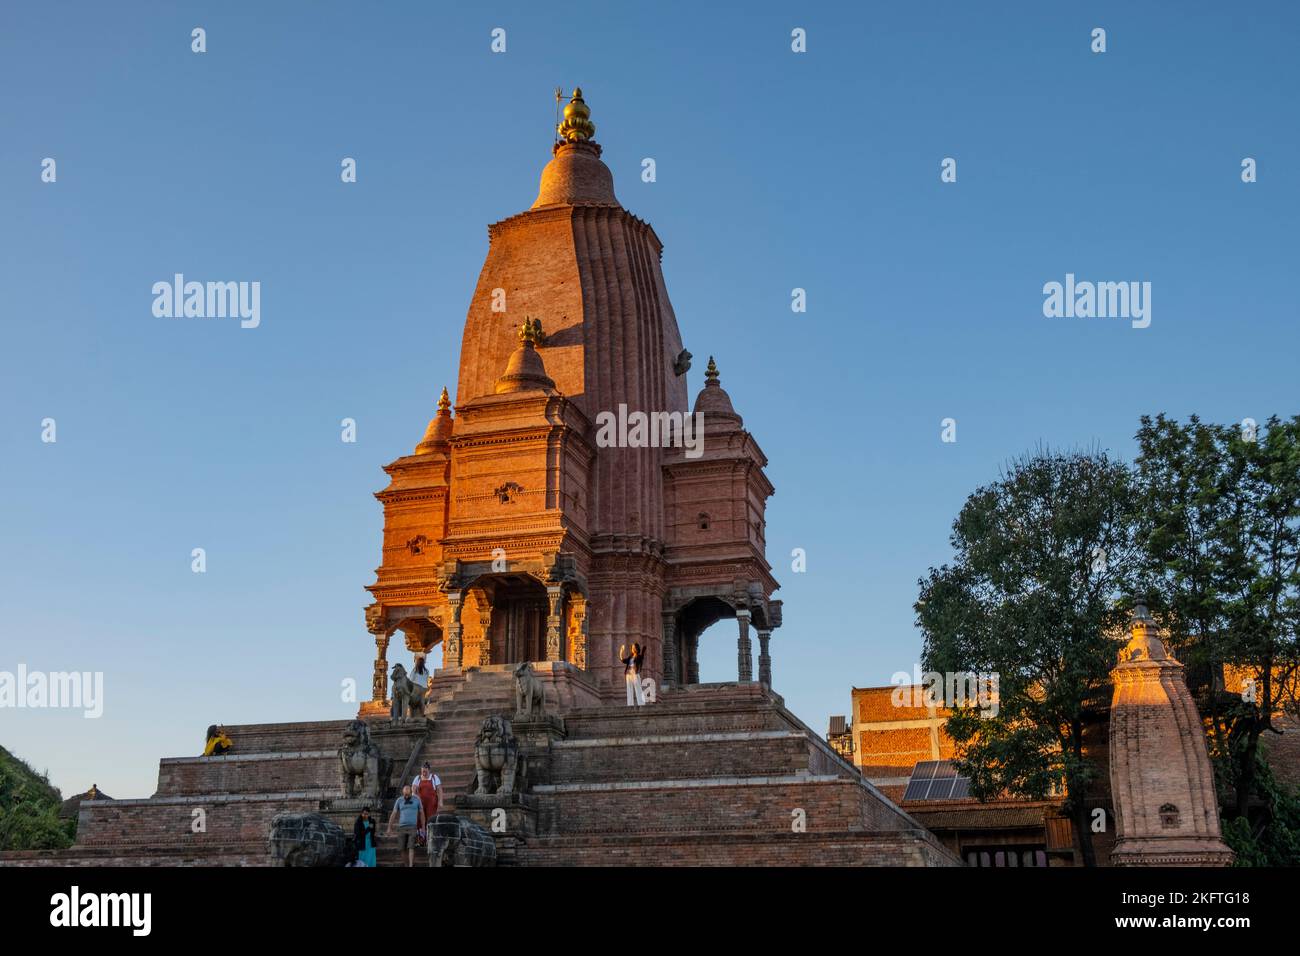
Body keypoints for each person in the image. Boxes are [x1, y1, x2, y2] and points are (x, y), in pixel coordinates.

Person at [386, 784, 425, 867]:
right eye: (404, 794)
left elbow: (422, 813)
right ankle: (406, 864)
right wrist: (389, 827)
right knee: (402, 848)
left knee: (411, 847)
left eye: (407, 794)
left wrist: (423, 827)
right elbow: (393, 814)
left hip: (413, 827)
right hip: (402, 827)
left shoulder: (417, 799)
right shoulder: (399, 800)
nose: (406, 796)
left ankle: (411, 865)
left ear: (411, 792)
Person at [411, 763, 443, 846]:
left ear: (429, 770)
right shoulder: (417, 778)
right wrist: (413, 801)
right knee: (420, 821)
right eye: (422, 772)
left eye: (425, 771)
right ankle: (421, 839)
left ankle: (430, 840)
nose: (424, 773)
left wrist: (440, 801)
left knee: (430, 820)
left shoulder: (434, 777)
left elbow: (439, 790)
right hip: (420, 803)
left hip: (431, 803)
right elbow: (413, 791)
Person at [620, 642, 646, 706]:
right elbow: (623, 660)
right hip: (628, 674)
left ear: (637, 649)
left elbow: (642, 657)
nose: (633, 649)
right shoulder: (630, 657)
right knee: (629, 689)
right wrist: (621, 651)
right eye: (632, 648)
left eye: (634, 647)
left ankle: (641, 703)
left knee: (638, 688)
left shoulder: (639, 656)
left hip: (635, 673)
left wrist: (643, 651)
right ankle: (630, 704)